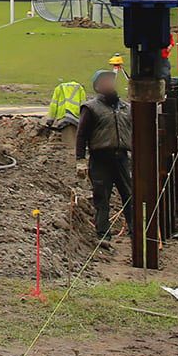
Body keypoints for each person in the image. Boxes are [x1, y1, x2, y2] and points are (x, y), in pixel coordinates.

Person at [75, 68, 133, 244]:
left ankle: (135, 231)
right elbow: (81, 135)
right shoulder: (91, 108)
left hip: (121, 157)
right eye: (105, 81)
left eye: (111, 81)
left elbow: (133, 131)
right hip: (100, 158)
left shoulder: (125, 108)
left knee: (129, 195)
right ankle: (103, 234)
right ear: (98, 86)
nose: (109, 84)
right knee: (102, 197)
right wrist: (80, 160)